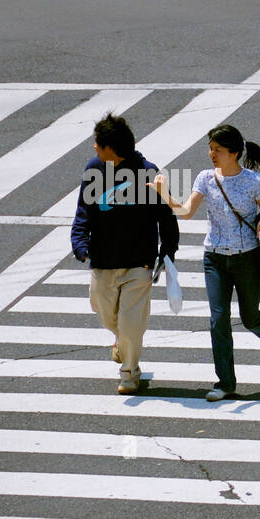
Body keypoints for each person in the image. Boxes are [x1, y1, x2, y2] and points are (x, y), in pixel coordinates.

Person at [153, 124, 260, 402]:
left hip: (247, 258)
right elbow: (187, 212)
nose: (212, 153)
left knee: (250, 318)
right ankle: (225, 383)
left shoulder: (253, 182)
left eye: (218, 150)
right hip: (213, 258)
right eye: (210, 148)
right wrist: (164, 194)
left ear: (234, 153)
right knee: (218, 320)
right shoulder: (205, 178)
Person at [71, 113, 179, 395]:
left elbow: (165, 215)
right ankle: (120, 341)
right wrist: (81, 246)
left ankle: (129, 373)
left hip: (138, 262)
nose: (93, 147)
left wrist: (168, 251)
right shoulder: (95, 169)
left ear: (111, 147)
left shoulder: (147, 173)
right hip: (103, 261)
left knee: (131, 324)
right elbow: (84, 212)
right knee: (106, 314)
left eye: (97, 143)